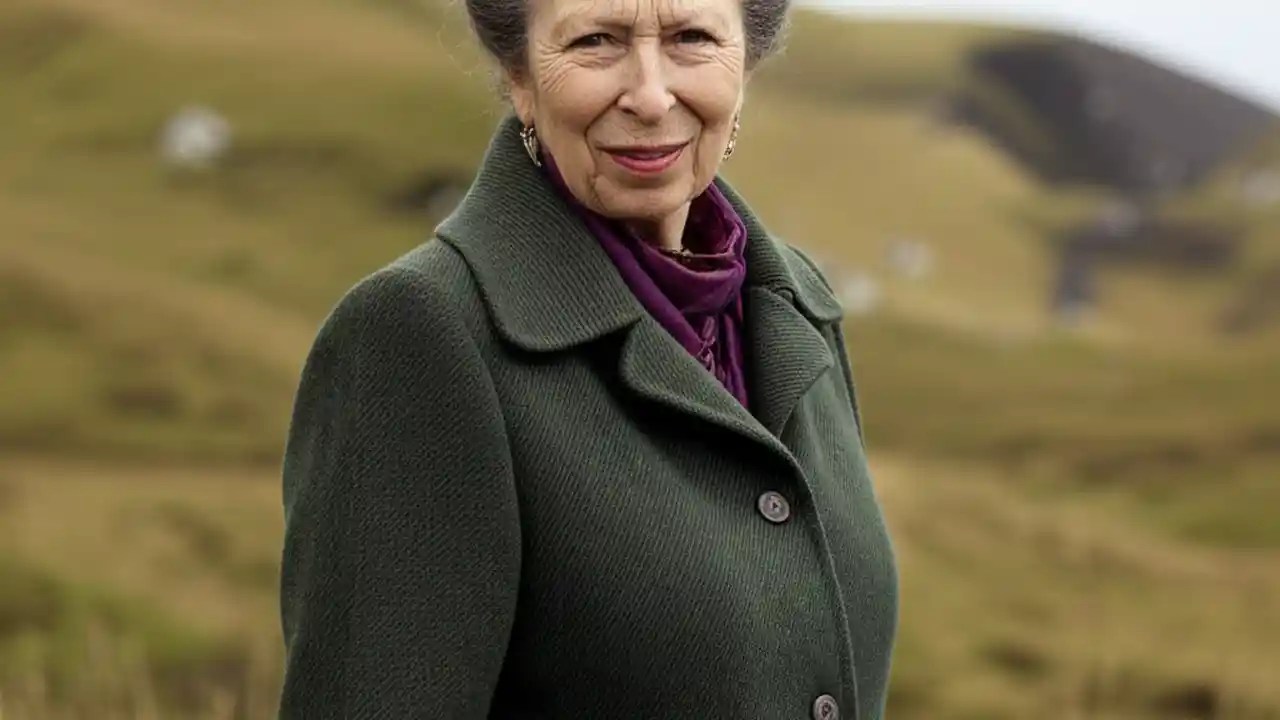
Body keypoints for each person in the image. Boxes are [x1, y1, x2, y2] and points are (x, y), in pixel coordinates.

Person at [276, 0, 898, 717]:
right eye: (596, 40)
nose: (650, 94)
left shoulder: (798, 305)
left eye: (692, 38)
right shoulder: (421, 334)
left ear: (747, 61)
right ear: (517, 74)